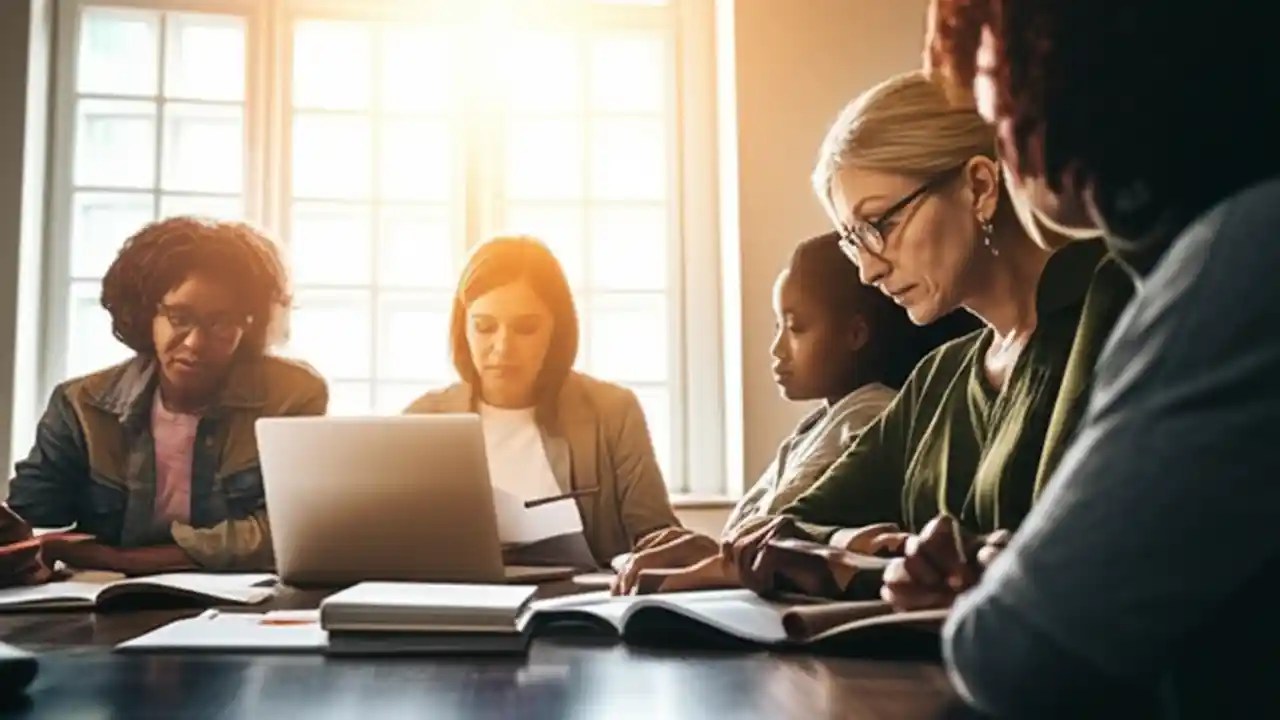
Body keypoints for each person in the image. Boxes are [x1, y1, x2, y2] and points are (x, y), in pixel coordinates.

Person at [924, 1, 1280, 716]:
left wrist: (1005, 587)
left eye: (993, 52)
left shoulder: (1244, 252)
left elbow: (1016, 652)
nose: (979, 91)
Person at [718, 70, 1132, 603]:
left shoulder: (1112, 304)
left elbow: (1070, 558)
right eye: (852, 242)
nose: (867, 270)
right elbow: (788, 525)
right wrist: (867, 547)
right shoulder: (939, 377)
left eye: (878, 225)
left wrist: (855, 568)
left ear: (980, 187)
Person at [612, 232, 976, 594]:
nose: (777, 349)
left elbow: (782, 541)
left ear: (855, 333)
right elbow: (757, 537)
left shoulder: (870, 416)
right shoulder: (820, 424)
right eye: (777, 326)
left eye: (796, 327)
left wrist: (707, 554)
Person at [6, 217, 328, 575]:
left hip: (240, 606)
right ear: (147, 314)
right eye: (179, 317)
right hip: (101, 607)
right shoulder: (81, 406)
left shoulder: (290, 396)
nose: (196, 343)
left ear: (248, 323)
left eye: (221, 322)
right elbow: (30, 526)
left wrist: (124, 560)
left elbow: (289, 531)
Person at [405, 236, 679, 569]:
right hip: (457, 610)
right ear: (462, 328)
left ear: (556, 329)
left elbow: (660, 544)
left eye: (525, 328)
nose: (503, 347)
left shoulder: (612, 413)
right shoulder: (422, 421)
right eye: (484, 327)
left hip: (579, 611)